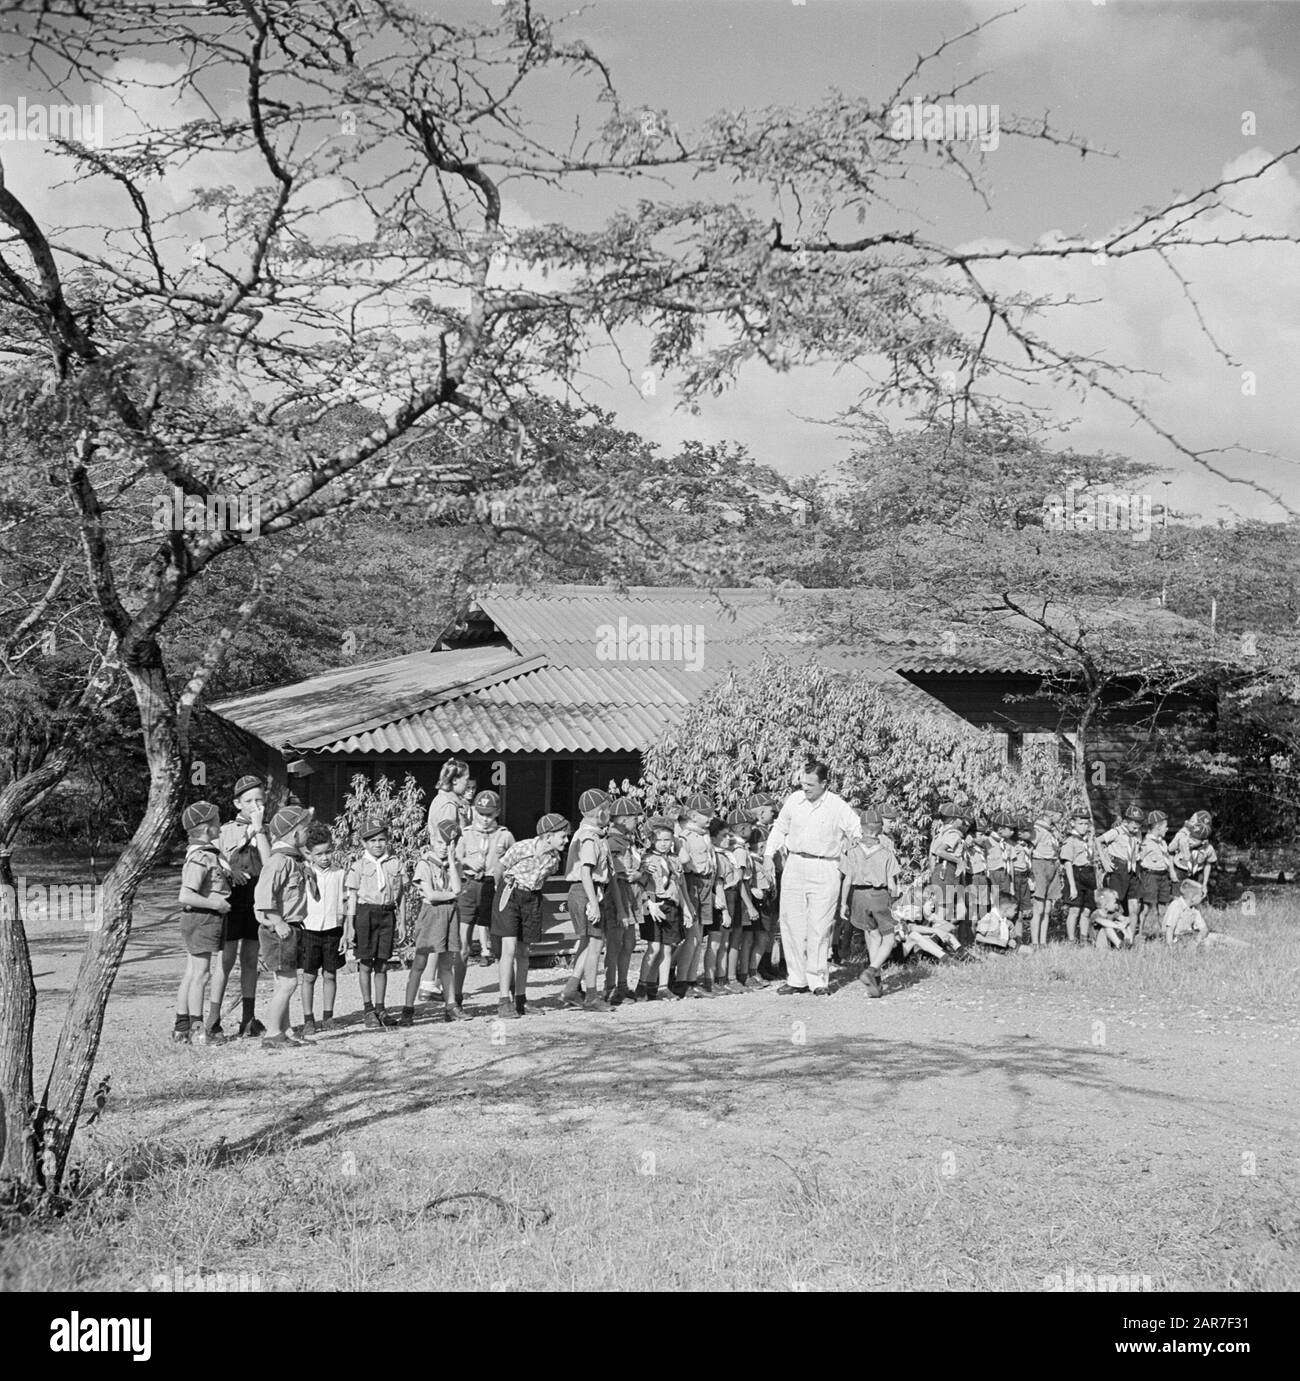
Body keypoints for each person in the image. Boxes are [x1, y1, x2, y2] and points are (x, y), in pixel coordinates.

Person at [764, 760, 863, 997]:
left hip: (825, 866)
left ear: (824, 784)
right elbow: (779, 828)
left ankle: (818, 980)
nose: (805, 788)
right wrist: (769, 855)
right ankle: (796, 978)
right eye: (802, 783)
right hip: (795, 865)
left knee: (819, 926)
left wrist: (850, 854)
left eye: (810, 784)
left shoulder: (837, 806)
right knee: (791, 923)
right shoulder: (794, 800)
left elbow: (857, 832)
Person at [491, 813, 571, 1018]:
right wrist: (498, 889)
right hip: (510, 893)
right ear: (548, 836)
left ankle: (520, 999)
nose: (566, 840)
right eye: (562, 836)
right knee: (508, 947)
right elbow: (500, 866)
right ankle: (503, 1000)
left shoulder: (554, 860)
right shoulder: (522, 848)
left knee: (524, 951)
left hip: (532, 898)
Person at [212, 775, 270, 1038]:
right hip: (232, 898)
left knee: (250, 959)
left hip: (256, 898)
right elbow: (213, 856)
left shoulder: (268, 829)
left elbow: (270, 864)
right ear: (238, 803)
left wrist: (259, 830)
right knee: (225, 960)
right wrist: (230, 868)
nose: (255, 805)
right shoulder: (226, 830)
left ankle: (248, 1018)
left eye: (259, 799)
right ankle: (213, 1020)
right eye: (249, 801)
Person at [253, 806, 315, 1050]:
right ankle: (272, 1033)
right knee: (288, 984)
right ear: (293, 833)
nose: (308, 834)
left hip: (292, 928)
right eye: (305, 830)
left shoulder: (293, 860)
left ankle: (285, 1029)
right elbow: (262, 898)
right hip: (280, 930)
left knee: (284, 983)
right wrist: (277, 922)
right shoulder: (277, 862)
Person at [174, 801, 232, 1045]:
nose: (220, 825)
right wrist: (216, 904)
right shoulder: (200, 857)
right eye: (217, 821)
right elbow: (185, 895)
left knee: (191, 973)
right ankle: (199, 1031)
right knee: (201, 976)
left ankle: (181, 1028)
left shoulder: (207, 854)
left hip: (201, 919)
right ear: (207, 828)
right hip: (202, 918)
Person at [401, 819, 465, 1025]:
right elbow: (431, 895)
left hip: (450, 915)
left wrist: (453, 863)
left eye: (449, 844)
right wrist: (450, 894)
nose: (443, 848)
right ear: (432, 840)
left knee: (447, 964)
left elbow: (458, 888)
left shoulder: (453, 864)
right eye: (440, 842)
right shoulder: (424, 864)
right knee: (419, 964)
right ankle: (408, 1009)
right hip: (431, 914)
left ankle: (451, 1006)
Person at [344, 818, 407, 1028]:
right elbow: (352, 897)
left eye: (381, 839)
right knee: (365, 963)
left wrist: (403, 922)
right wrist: (350, 925)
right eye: (372, 841)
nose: (378, 844)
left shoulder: (395, 863)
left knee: (382, 963)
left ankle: (381, 1008)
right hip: (365, 914)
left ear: (387, 840)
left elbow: (402, 895)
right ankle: (368, 1008)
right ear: (363, 843)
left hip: (387, 914)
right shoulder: (358, 866)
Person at [561, 788, 617, 1013]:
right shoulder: (589, 837)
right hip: (587, 891)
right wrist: (593, 903)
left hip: (587, 890)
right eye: (607, 809)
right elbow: (586, 872)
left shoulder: (591, 832)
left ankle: (572, 988)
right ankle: (592, 996)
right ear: (600, 811)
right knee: (595, 944)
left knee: (588, 942)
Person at [419, 758, 471, 999]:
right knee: (443, 926)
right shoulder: (449, 805)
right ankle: (430, 981)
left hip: (444, 863)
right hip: (446, 866)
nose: (467, 783)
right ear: (454, 780)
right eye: (464, 779)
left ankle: (433, 981)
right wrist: (457, 864)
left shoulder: (441, 800)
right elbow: (448, 839)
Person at [839, 806, 902, 998]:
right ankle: (872, 970)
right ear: (881, 828)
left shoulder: (852, 850)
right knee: (889, 940)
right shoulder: (887, 852)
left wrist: (844, 903)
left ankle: (876, 985)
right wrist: (896, 899)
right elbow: (892, 884)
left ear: (862, 827)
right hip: (879, 896)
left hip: (858, 897)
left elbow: (847, 879)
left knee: (872, 937)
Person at [455, 789, 515, 977]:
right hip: (470, 887)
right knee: (462, 946)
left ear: (497, 812)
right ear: (474, 810)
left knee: (499, 947)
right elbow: (453, 860)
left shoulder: (504, 836)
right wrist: (466, 861)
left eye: (489, 814)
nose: (485, 819)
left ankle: (509, 996)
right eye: (481, 813)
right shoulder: (465, 835)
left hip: (493, 888)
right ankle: (456, 999)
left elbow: (515, 861)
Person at [635, 816, 691, 1000]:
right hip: (652, 903)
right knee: (654, 947)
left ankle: (662, 986)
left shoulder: (674, 860)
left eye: (668, 840)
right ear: (651, 840)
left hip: (670, 905)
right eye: (659, 840)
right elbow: (643, 885)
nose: (664, 844)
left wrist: (686, 909)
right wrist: (650, 904)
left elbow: (678, 885)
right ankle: (642, 986)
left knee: (668, 947)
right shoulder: (647, 860)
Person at [300, 822, 347, 1036]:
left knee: (330, 975)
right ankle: (308, 1019)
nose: (325, 857)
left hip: (332, 930)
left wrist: (346, 931)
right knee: (309, 976)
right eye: (319, 854)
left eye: (328, 852)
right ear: (310, 854)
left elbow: (345, 903)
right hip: (310, 930)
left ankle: (328, 1016)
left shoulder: (339, 874)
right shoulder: (305, 874)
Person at [676, 792, 719, 998]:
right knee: (692, 937)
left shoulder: (704, 834)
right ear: (693, 816)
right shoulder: (684, 836)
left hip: (705, 884)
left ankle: (692, 980)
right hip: (692, 883)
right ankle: (682, 981)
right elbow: (683, 864)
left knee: (699, 936)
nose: (710, 817)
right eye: (706, 814)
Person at [604, 798, 644, 1005]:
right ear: (622, 819)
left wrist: (639, 874)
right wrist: (621, 910)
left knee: (629, 943)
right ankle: (610, 987)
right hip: (618, 898)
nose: (637, 821)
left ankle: (622, 984)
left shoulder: (628, 841)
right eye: (634, 817)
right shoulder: (613, 843)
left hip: (631, 897)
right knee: (615, 943)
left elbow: (635, 871)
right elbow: (616, 878)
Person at [1098, 805, 1145, 933]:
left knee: (1134, 906)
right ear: (1125, 822)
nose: (1137, 829)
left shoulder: (1138, 834)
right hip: (1119, 869)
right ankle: (1112, 935)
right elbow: (1098, 841)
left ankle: (1131, 937)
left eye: (1139, 826)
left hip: (1133, 869)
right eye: (1134, 826)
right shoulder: (1116, 832)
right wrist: (1105, 861)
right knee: (1115, 904)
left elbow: (1137, 848)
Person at [1136, 810, 1177, 941]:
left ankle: (1164, 934)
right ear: (1158, 827)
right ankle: (1139, 933)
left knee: (1163, 906)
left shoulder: (1162, 842)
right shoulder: (1146, 843)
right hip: (1151, 876)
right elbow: (1138, 859)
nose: (1168, 829)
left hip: (1163, 877)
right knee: (1146, 907)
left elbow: (1167, 858)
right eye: (1166, 826)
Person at [928, 803, 968, 932]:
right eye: (960, 818)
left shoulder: (939, 834)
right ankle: (932, 946)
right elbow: (940, 851)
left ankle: (942, 939)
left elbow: (932, 857)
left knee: (956, 911)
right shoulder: (954, 834)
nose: (962, 822)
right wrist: (959, 861)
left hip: (939, 871)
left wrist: (934, 875)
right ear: (953, 819)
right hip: (947, 871)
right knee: (943, 913)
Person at [1059, 811, 1097, 945]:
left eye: (1086, 824)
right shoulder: (1070, 840)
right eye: (1080, 823)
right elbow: (1068, 864)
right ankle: (1070, 940)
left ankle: (1083, 938)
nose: (1084, 827)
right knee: (1074, 909)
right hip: (1076, 874)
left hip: (1089, 874)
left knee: (1087, 910)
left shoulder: (1088, 840)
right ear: (1073, 824)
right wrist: (1073, 887)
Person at [1028, 810, 1060, 948]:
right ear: (1050, 814)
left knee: (1047, 908)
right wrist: (1030, 874)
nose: (1061, 817)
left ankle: (1043, 941)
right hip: (1040, 865)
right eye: (1059, 813)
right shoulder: (1037, 830)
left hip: (1052, 866)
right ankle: (1035, 942)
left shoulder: (1053, 831)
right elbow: (1027, 850)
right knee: (1039, 908)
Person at [1170, 811, 1218, 894]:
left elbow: (1208, 864)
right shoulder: (1183, 837)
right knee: (1178, 896)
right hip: (1180, 870)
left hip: (1196, 872)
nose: (1188, 822)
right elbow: (1170, 850)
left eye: (1192, 821)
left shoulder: (1207, 847)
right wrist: (1171, 871)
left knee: (1193, 896)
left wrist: (1204, 884)